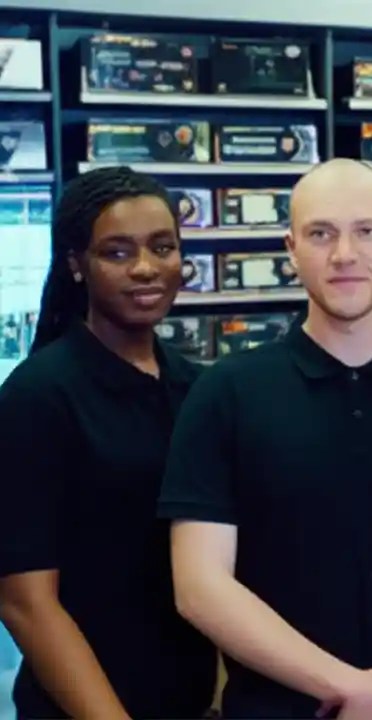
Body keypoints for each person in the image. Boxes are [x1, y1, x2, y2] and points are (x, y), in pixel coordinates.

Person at [157, 158, 372, 719]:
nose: (344, 254)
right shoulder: (226, 394)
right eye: (322, 234)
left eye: (367, 231)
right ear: (291, 249)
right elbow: (199, 585)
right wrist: (349, 690)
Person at [0, 167, 217, 719]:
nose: (146, 268)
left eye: (162, 247)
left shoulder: (199, 387)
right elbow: (25, 602)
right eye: (117, 253)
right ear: (76, 264)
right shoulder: (38, 397)